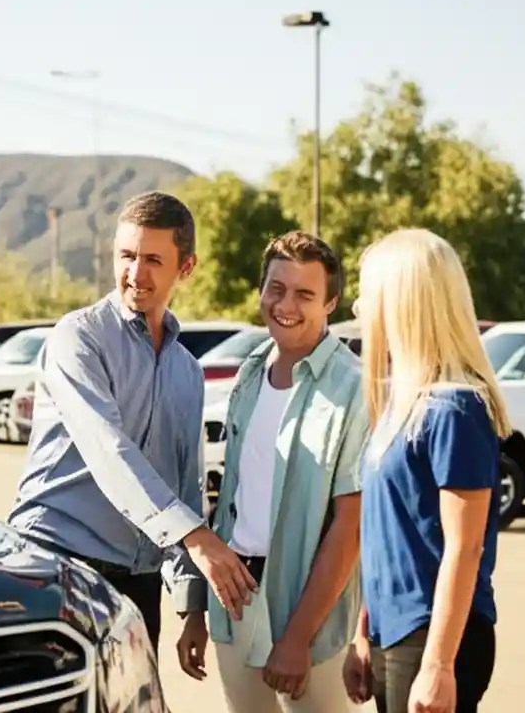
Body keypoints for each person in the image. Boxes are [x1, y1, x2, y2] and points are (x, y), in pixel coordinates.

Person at [6, 190, 255, 653]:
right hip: (56, 561)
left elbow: (184, 484)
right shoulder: (78, 338)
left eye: (153, 260)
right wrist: (197, 539)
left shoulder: (187, 371)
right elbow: (109, 450)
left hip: (138, 579)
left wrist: (191, 604)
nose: (135, 274)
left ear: (186, 268)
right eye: (126, 255)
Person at [175, 231, 370, 713]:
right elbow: (229, 502)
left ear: (332, 303)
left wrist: (298, 637)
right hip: (234, 598)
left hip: (310, 611)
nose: (287, 305)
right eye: (276, 289)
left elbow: (352, 526)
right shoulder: (250, 371)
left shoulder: (355, 389)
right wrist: (198, 607)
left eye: (305, 294)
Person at [341, 228, 507, 713]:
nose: (357, 307)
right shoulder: (401, 404)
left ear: (405, 302)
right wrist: (364, 632)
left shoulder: (455, 409)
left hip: (438, 638)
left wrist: (437, 665)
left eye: (367, 295)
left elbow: (465, 546)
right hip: (396, 631)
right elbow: (385, 534)